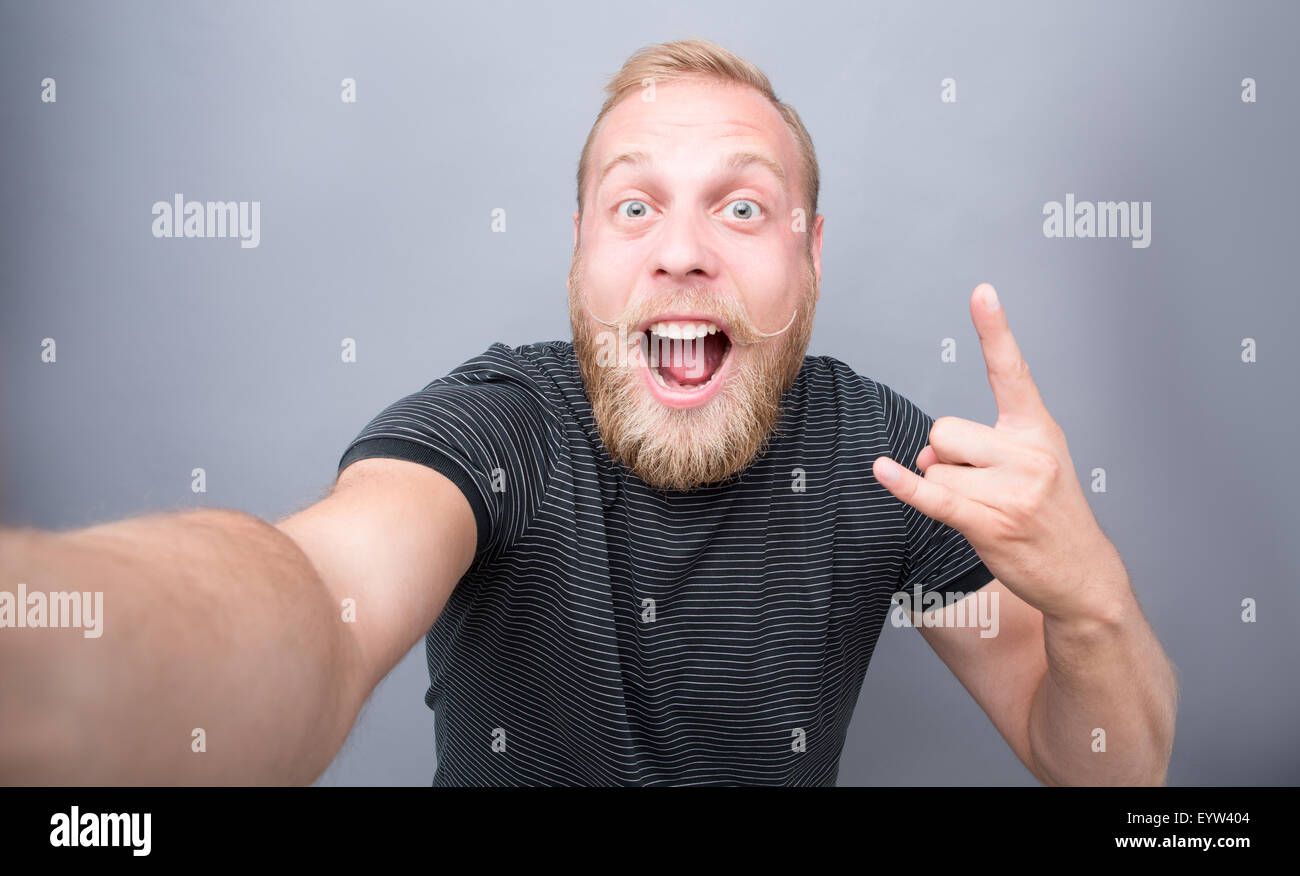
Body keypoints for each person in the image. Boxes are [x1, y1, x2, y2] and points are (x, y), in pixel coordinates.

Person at [0, 38, 1177, 786]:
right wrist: (57, 666)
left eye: (743, 209)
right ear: (577, 253)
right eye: (632, 207)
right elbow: (316, 601)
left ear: (810, 260)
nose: (680, 252)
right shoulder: (502, 431)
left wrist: (1091, 599)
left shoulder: (880, 458)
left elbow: (1105, 770)